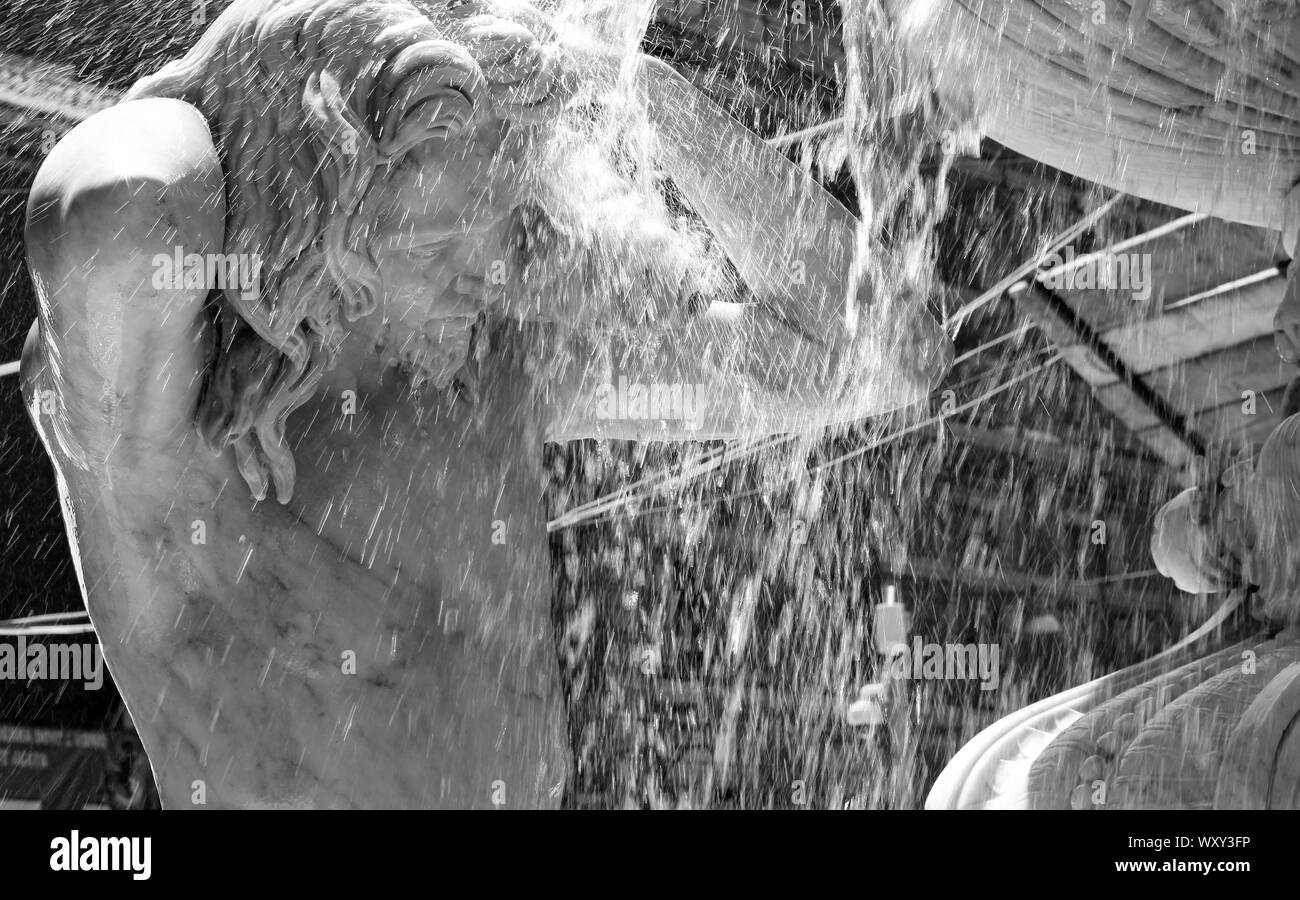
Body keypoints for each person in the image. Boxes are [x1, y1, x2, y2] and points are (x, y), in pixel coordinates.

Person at [21, 0, 951, 808]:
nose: (491, 275)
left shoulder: (494, 375)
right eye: (441, 242)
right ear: (316, 216)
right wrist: (243, 78)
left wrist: (641, 90)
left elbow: (882, 354)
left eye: (505, 226)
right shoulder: (159, 441)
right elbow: (113, 213)